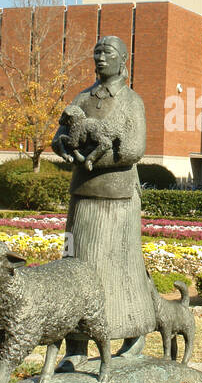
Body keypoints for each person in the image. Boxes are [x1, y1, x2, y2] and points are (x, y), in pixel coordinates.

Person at [51, 36, 157, 362]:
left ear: (123, 59)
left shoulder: (130, 101)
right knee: (76, 269)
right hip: (82, 197)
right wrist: (66, 150)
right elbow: (59, 137)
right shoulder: (82, 98)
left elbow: (133, 149)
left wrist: (93, 159)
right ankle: (77, 344)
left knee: (119, 268)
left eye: (106, 52)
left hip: (118, 198)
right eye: (96, 52)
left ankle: (132, 334)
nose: (99, 57)